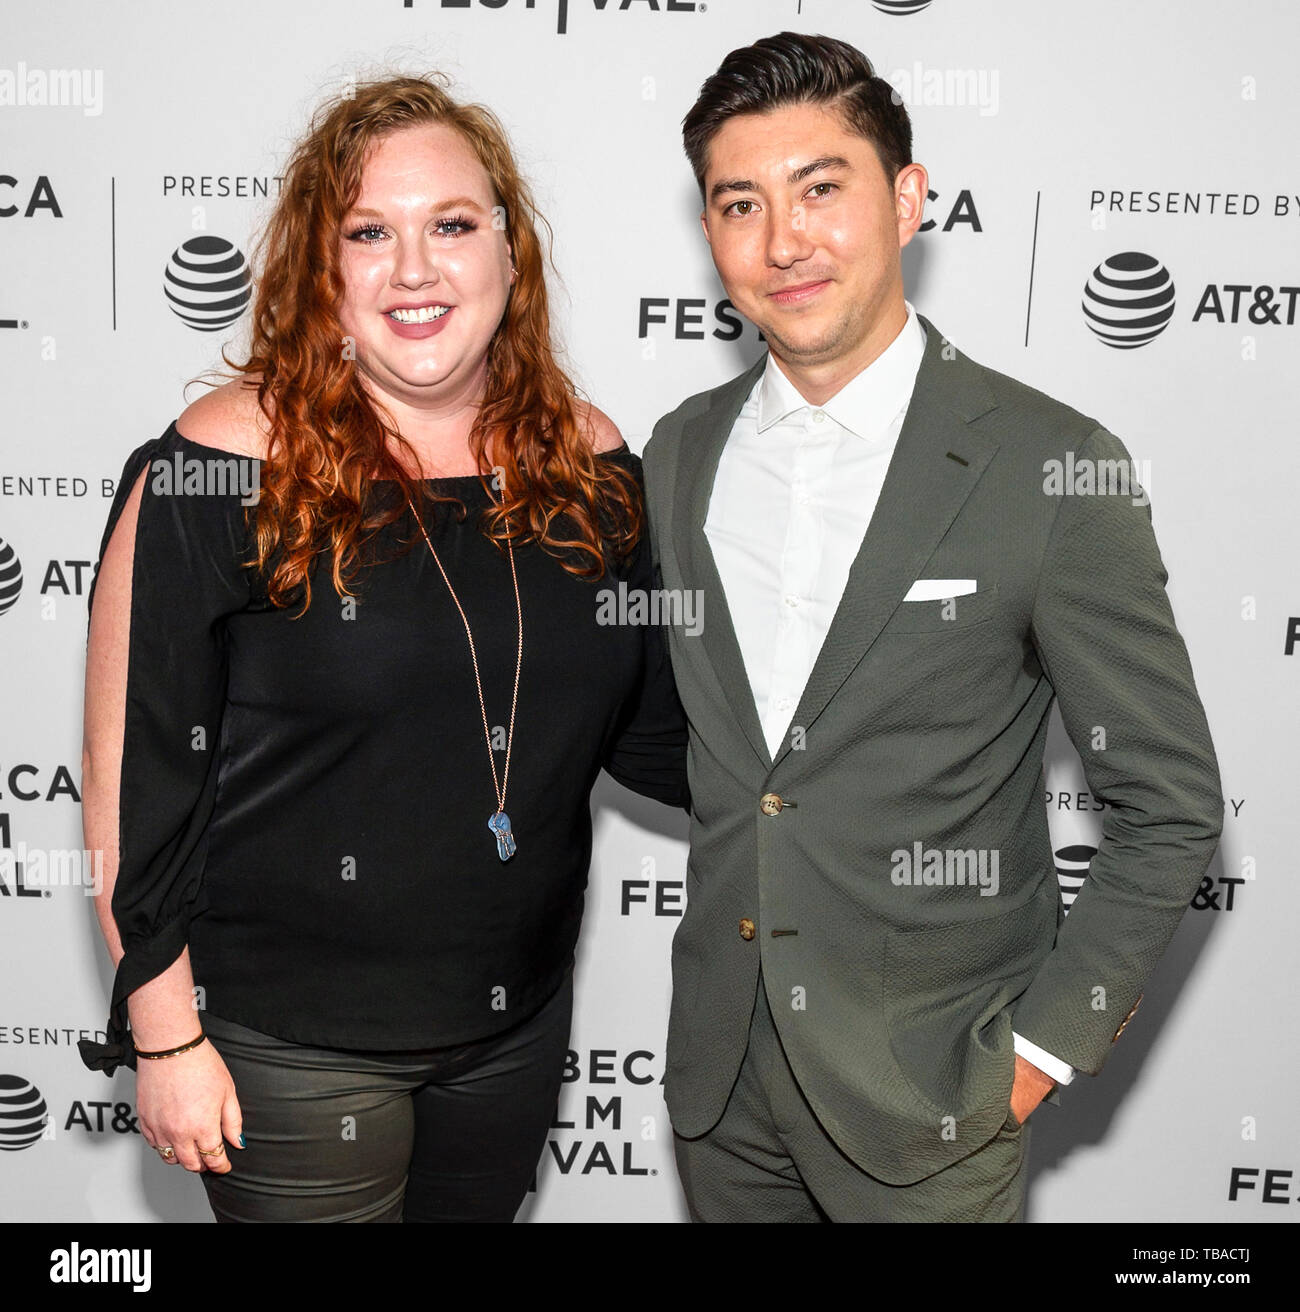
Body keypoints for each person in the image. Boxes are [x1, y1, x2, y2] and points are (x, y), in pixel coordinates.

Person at [78, 73, 688, 1223]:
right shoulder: (216, 467)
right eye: (370, 233)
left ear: (510, 255)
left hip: (511, 1022)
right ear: (323, 271)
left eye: (451, 225)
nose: (414, 269)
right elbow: (127, 774)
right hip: (286, 1042)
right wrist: (165, 1039)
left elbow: (658, 738)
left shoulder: (588, 462)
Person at [641, 31, 1223, 1222]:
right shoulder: (676, 451)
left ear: (906, 200)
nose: (781, 240)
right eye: (738, 203)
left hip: (930, 1099)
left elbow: (1167, 800)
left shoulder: (1051, 464)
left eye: (820, 189)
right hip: (719, 1090)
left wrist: (1040, 1053)